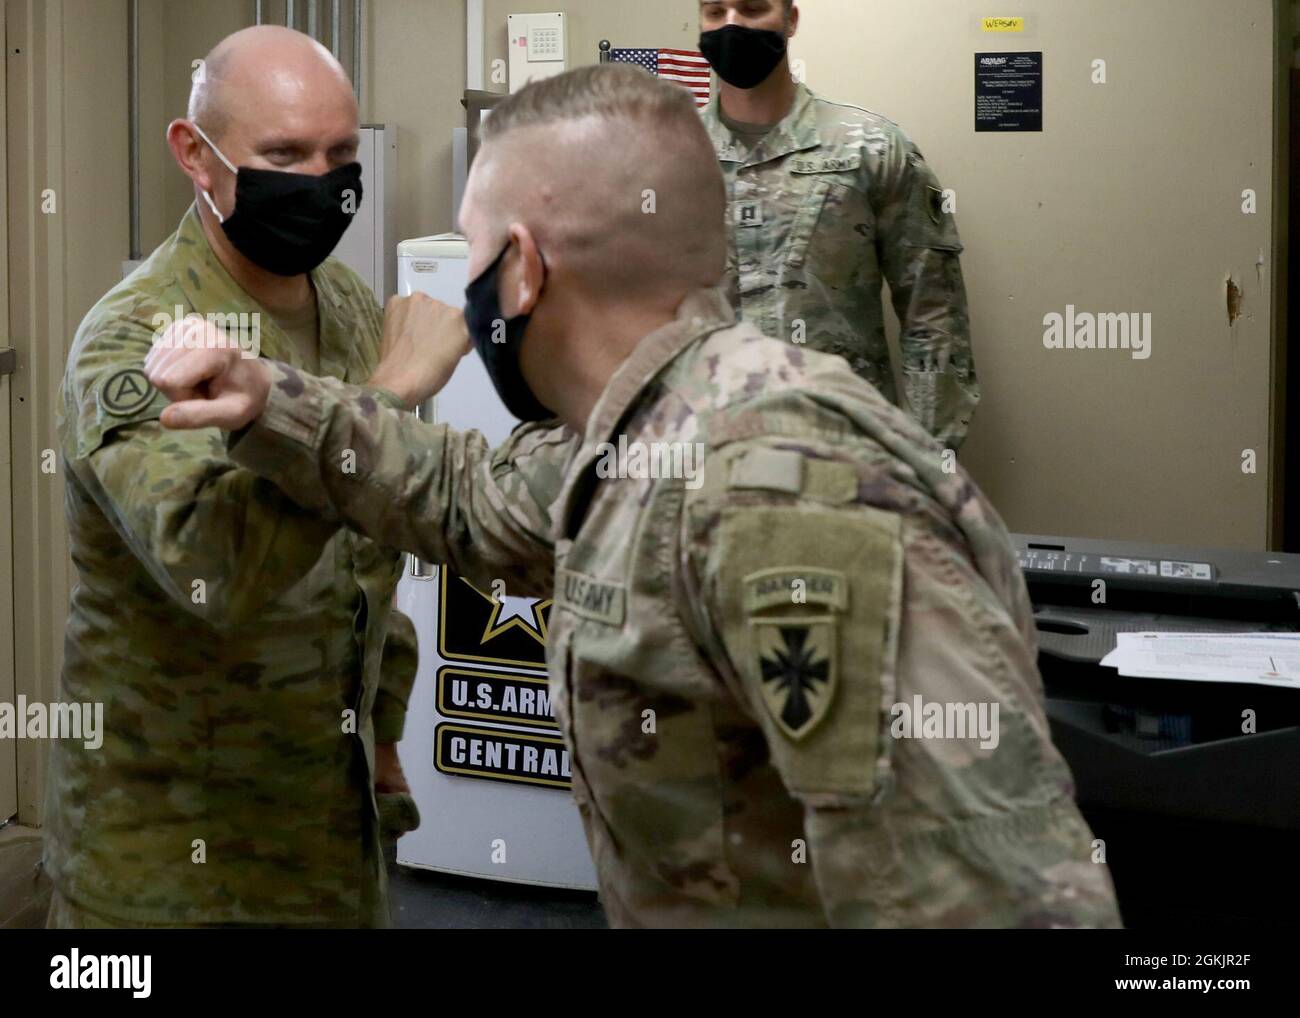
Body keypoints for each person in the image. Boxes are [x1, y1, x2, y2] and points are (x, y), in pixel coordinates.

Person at [146, 64, 1120, 928]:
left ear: (520, 271)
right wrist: (270, 398)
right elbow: (470, 494)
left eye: (477, 252)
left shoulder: (783, 484)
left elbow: (998, 897)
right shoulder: (640, 436)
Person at [47, 25, 420, 928]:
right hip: (166, 858)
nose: (321, 184)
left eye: (339, 155)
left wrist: (383, 723)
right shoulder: (135, 337)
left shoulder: (345, 304)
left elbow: (365, 546)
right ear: (196, 156)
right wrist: (390, 394)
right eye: (285, 155)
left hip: (329, 834)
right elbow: (214, 567)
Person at [698, 0, 979, 449]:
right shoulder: (669, 156)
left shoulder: (871, 148)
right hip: (704, 445)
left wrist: (929, 456)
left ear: (790, 20)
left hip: (843, 446)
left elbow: (933, 311)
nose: (732, 25)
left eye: (752, 8)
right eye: (715, 12)